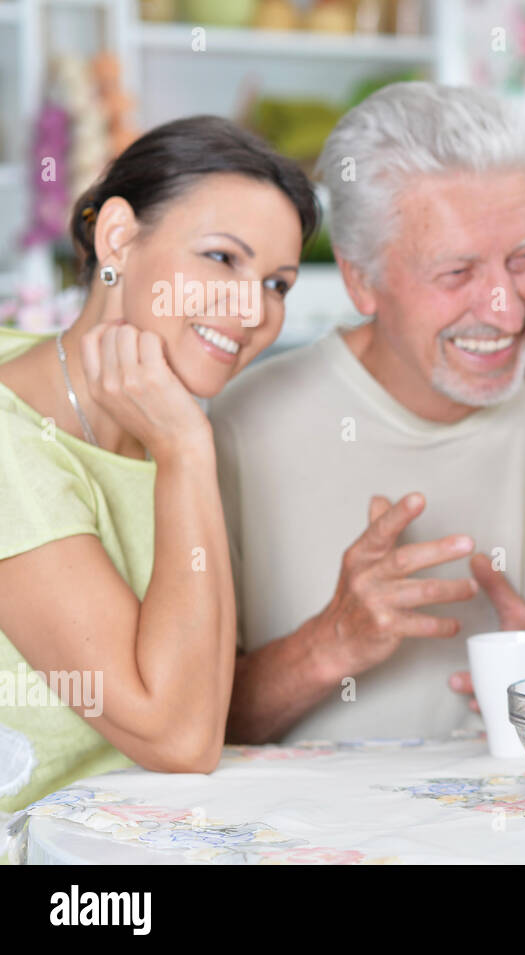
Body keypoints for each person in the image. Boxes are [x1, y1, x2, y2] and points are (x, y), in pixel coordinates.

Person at [210, 83, 525, 744]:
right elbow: (187, 728)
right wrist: (329, 644)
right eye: (457, 272)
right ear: (360, 279)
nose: (507, 311)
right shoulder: (240, 429)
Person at [0, 116, 318, 813]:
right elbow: (180, 737)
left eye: (278, 283)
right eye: (222, 258)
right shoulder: (14, 443)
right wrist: (185, 449)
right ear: (118, 238)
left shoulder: (161, 414)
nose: (253, 310)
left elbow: (205, 690)